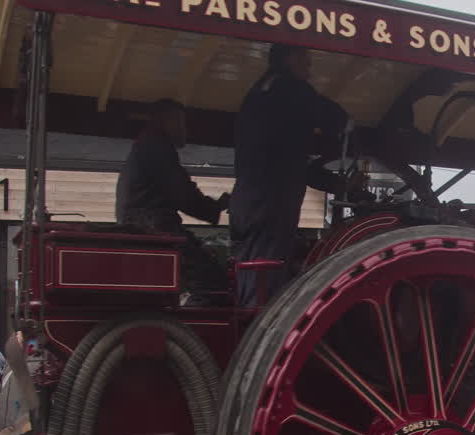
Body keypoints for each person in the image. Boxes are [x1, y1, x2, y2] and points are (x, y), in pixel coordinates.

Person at [232, 44, 363, 306]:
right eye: (305, 59)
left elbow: (295, 166)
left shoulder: (262, 93)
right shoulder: (287, 88)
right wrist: (347, 126)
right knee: (265, 271)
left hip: (251, 201)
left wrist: (340, 185)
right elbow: (330, 115)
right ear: (289, 58)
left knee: (253, 270)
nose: (310, 67)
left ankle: (250, 320)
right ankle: (259, 331)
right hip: (270, 202)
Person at [116, 98, 229, 297]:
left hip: (145, 224)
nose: (185, 130)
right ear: (167, 121)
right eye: (181, 123)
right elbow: (181, 192)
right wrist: (213, 208)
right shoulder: (156, 145)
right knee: (211, 279)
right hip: (153, 228)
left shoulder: (146, 145)